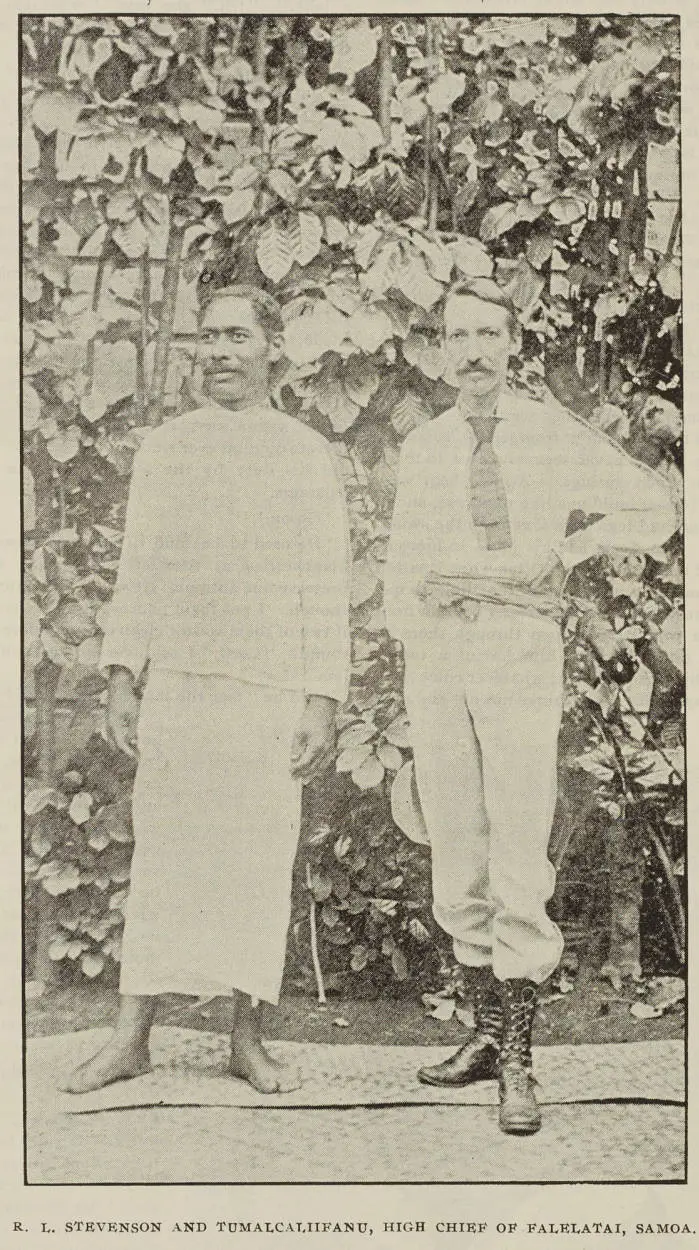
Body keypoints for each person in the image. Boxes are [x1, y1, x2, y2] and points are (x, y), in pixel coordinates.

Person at [383, 277, 677, 1135]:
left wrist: (569, 548)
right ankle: (484, 1035)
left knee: (516, 836)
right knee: (454, 838)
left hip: (517, 645)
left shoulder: (548, 433)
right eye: (458, 336)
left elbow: (655, 506)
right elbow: (402, 565)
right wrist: (417, 634)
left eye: (488, 335)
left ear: (512, 345)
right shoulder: (426, 446)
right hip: (439, 650)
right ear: (440, 351)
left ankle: (518, 1055)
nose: (473, 352)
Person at [61, 284, 350, 1096]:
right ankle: (131, 1037)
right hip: (182, 681)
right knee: (165, 853)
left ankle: (246, 1040)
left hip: (268, 686)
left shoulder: (304, 453)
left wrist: (321, 699)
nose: (219, 352)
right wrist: (123, 676)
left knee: (258, 856)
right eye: (208, 337)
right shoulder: (168, 448)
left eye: (236, 337)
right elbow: (140, 567)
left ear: (272, 348)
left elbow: (326, 581)